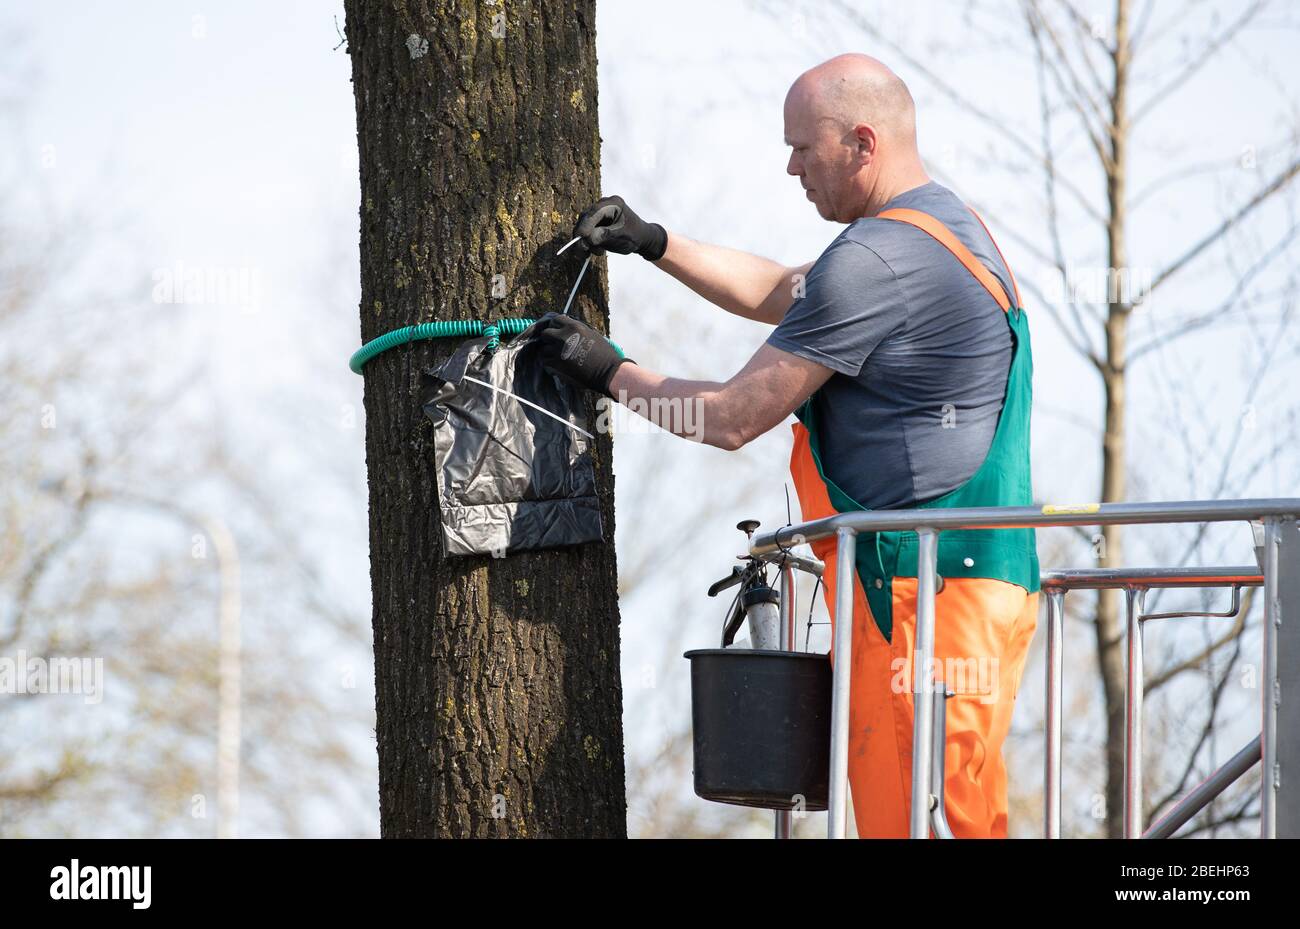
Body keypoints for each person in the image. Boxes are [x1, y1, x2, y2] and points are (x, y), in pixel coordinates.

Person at [537, 52, 1040, 839]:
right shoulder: (944, 234)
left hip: (919, 600)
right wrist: (656, 241)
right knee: (951, 812)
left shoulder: (873, 262)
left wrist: (607, 372)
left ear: (863, 143)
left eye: (804, 147)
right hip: (974, 590)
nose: (790, 167)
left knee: (922, 822)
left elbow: (733, 417)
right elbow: (785, 291)